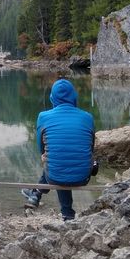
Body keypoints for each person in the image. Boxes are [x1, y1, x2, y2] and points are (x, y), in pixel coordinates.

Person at [21, 78, 95, 221]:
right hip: (84, 176)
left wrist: (47, 155)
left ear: (52, 97)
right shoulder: (87, 117)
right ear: (74, 96)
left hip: (55, 176)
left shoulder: (43, 117)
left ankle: (61, 209)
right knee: (60, 160)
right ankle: (36, 194)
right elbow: (91, 148)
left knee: (56, 162)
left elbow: (41, 149)